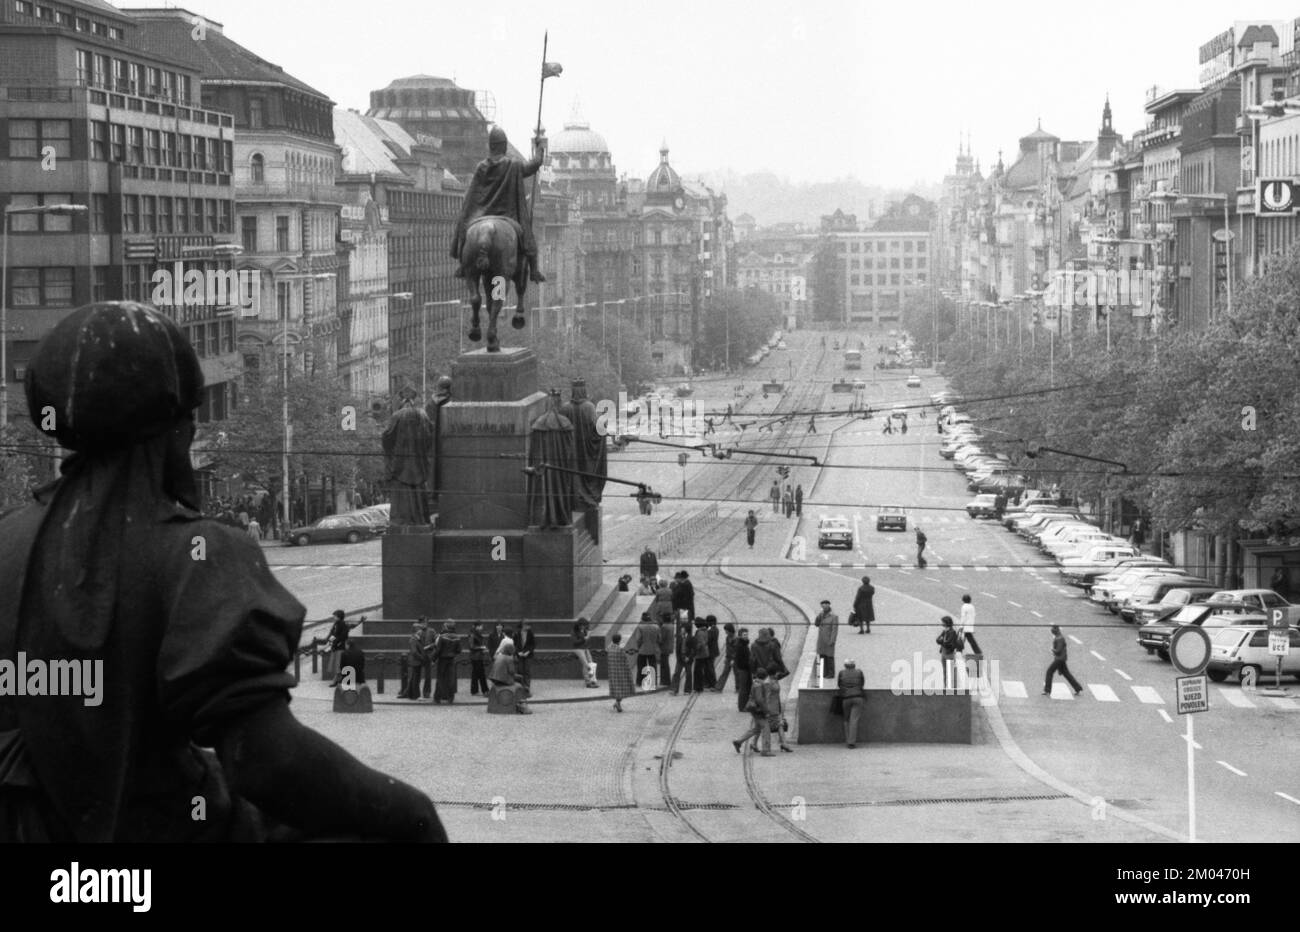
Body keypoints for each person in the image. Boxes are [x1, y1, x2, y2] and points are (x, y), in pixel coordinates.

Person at [0, 301, 443, 842]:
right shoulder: (197, 556)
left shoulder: (8, 540)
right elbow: (265, 758)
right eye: (188, 423)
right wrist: (410, 810)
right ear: (173, 433)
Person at [450, 124, 547, 282]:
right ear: (504, 146)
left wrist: (466, 216)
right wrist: (539, 146)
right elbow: (535, 164)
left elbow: (472, 196)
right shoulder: (513, 165)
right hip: (507, 216)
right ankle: (534, 270)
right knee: (527, 237)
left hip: (481, 214)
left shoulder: (481, 167)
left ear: (490, 146)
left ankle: (463, 264)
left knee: (465, 230)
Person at [488, 642, 532, 714]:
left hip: (494, 679)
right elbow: (512, 672)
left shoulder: (499, 656)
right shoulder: (509, 658)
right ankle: (524, 699)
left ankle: (524, 695)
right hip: (503, 679)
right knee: (520, 678)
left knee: (518, 678)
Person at [1043, 625, 1083, 696]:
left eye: (1053, 629)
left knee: (1049, 671)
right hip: (1061, 659)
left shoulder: (1059, 638)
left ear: (1057, 630)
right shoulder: (1059, 637)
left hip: (1059, 659)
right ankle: (1078, 688)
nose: (1052, 631)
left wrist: (1053, 650)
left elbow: (1058, 650)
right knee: (1066, 674)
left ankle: (1047, 690)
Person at [627, 613, 662, 688]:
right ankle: (653, 682)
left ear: (642, 619)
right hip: (653, 650)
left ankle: (640, 682)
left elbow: (638, 639)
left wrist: (639, 647)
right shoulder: (656, 627)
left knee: (641, 666)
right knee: (653, 666)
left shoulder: (640, 627)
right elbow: (659, 639)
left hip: (642, 650)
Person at [838, 659, 866, 749]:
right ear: (854, 665)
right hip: (858, 697)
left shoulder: (841, 673)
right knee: (854, 720)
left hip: (846, 698)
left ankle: (848, 740)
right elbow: (862, 684)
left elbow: (839, 684)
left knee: (846, 719)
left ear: (845, 665)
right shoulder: (859, 672)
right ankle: (851, 742)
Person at [431, 621, 461, 704]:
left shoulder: (443, 637)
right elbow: (459, 650)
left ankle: (437, 698)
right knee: (450, 679)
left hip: (442, 659)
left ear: (447, 628)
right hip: (451, 660)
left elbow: (438, 650)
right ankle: (450, 698)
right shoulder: (457, 637)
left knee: (440, 679)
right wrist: (453, 654)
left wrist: (433, 659)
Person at [400, 621, 429, 700]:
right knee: (416, 679)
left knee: (414, 678)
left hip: (417, 661)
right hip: (415, 661)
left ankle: (410, 694)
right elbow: (414, 651)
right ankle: (416, 695)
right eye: (419, 630)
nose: (421, 631)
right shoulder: (414, 639)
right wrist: (422, 657)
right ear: (416, 630)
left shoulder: (417, 638)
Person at [607, 633, 636, 712]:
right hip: (620, 671)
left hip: (612, 672)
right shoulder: (620, 649)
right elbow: (624, 660)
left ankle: (617, 703)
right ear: (619, 640)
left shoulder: (609, 648)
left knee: (617, 688)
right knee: (621, 688)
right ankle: (617, 703)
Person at [814, 600, 839, 679]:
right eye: (822, 606)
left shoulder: (834, 616)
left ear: (828, 606)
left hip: (829, 640)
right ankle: (824, 673)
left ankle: (831, 674)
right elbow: (816, 624)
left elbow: (834, 630)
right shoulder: (821, 615)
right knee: (822, 656)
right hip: (821, 640)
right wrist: (818, 615)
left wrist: (832, 640)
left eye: (824, 606)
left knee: (829, 657)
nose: (823, 607)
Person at [673, 614, 696, 695]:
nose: (681, 629)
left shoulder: (691, 638)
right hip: (680, 658)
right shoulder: (679, 638)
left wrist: (689, 658)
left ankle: (687, 690)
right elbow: (677, 649)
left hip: (688, 659)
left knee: (688, 675)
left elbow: (693, 650)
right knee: (676, 674)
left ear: (686, 629)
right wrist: (678, 657)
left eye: (682, 628)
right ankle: (675, 690)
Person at [936, 616, 961, 688]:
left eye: (943, 622)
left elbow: (948, 644)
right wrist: (942, 641)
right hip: (943, 653)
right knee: (944, 670)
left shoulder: (952, 632)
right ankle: (945, 686)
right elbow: (937, 640)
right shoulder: (944, 631)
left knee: (950, 671)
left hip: (949, 654)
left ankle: (952, 687)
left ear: (946, 623)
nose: (942, 624)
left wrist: (942, 641)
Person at [573, 617, 597, 688]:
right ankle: (588, 682)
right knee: (586, 664)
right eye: (583, 625)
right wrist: (585, 638)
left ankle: (592, 681)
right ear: (579, 625)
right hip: (577, 648)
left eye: (585, 625)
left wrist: (586, 639)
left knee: (591, 663)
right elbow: (575, 642)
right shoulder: (574, 632)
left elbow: (586, 641)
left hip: (585, 648)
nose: (584, 627)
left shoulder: (585, 631)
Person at [733, 627, 753, 712]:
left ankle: (745, 705)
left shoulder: (744, 644)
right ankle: (742, 706)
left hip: (746, 669)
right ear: (740, 635)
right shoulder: (740, 646)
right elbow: (741, 660)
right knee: (743, 689)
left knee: (747, 687)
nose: (746, 636)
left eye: (747, 634)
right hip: (743, 669)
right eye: (744, 635)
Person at [469, 623, 491, 696]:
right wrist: (481, 648)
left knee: (475, 674)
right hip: (476, 657)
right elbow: (471, 646)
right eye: (481, 626)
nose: (482, 627)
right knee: (481, 674)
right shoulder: (473, 635)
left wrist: (481, 649)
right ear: (477, 627)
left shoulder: (476, 634)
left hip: (478, 656)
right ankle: (485, 690)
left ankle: (474, 690)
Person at [716, 622, 737, 691]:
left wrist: (733, 659)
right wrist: (726, 657)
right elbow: (728, 648)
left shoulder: (735, 639)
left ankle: (738, 687)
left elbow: (736, 650)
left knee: (737, 673)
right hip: (728, 658)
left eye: (726, 630)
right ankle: (719, 687)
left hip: (735, 659)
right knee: (725, 672)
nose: (725, 632)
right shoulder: (728, 638)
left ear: (730, 630)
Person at [516, 621, 536, 688]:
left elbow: (533, 644)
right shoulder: (517, 633)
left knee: (527, 671)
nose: (529, 627)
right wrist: (518, 652)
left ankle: (527, 686)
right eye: (527, 625)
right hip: (520, 655)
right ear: (523, 626)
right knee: (520, 670)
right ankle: (520, 686)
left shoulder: (531, 633)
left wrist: (528, 652)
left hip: (528, 655)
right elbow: (515, 644)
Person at [657, 616, 674, 686]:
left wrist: (657, 640)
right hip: (669, 646)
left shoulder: (664, 626)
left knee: (664, 664)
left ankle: (665, 680)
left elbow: (662, 639)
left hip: (664, 647)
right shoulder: (671, 625)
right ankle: (667, 680)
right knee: (665, 663)